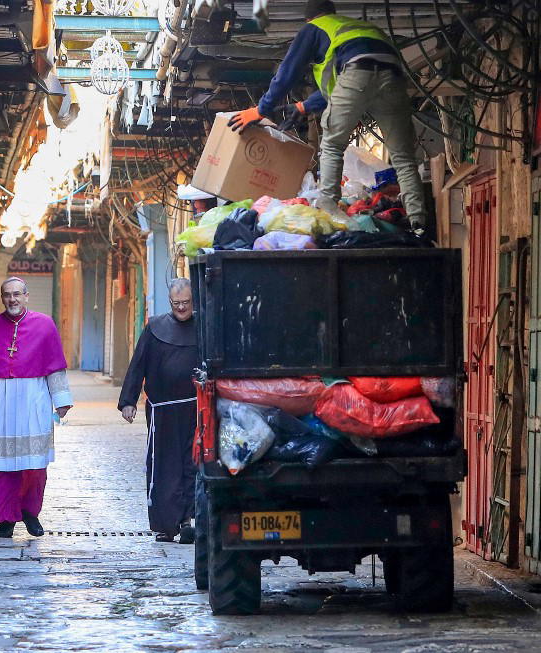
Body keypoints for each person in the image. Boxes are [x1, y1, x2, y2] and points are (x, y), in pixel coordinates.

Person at [228, 0, 426, 229]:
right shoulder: (357, 29)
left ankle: (329, 209)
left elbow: (288, 71)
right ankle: (417, 222)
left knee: (333, 145)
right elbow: (339, 89)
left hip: (356, 71)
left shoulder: (315, 27)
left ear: (309, 19)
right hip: (393, 78)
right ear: (333, 13)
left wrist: (260, 110)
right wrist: (303, 107)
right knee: (403, 157)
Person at [0, 277, 73, 538]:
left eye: (17, 294)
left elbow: (55, 365)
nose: (12, 299)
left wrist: (61, 399)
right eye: (7, 295)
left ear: (26, 296)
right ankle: (5, 520)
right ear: (2, 298)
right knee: (2, 465)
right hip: (0, 399)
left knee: (34, 465)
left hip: (33, 399)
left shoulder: (45, 325)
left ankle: (30, 513)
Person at [118, 279, 199, 544]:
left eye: (186, 303)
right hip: (162, 412)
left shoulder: (203, 327)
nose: (182, 308)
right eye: (177, 304)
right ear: (170, 302)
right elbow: (138, 363)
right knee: (164, 466)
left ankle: (188, 520)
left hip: (196, 409)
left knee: (192, 464)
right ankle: (165, 525)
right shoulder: (155, 328)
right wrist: (128, 400)